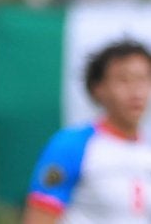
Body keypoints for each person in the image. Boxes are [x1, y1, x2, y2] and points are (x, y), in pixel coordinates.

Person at [22, 40, 151, 223]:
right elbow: (40, 217)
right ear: (98, 88)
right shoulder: (70, 145)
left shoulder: (147, 149)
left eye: (143, 79)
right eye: (124, 80)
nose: (136, 91)